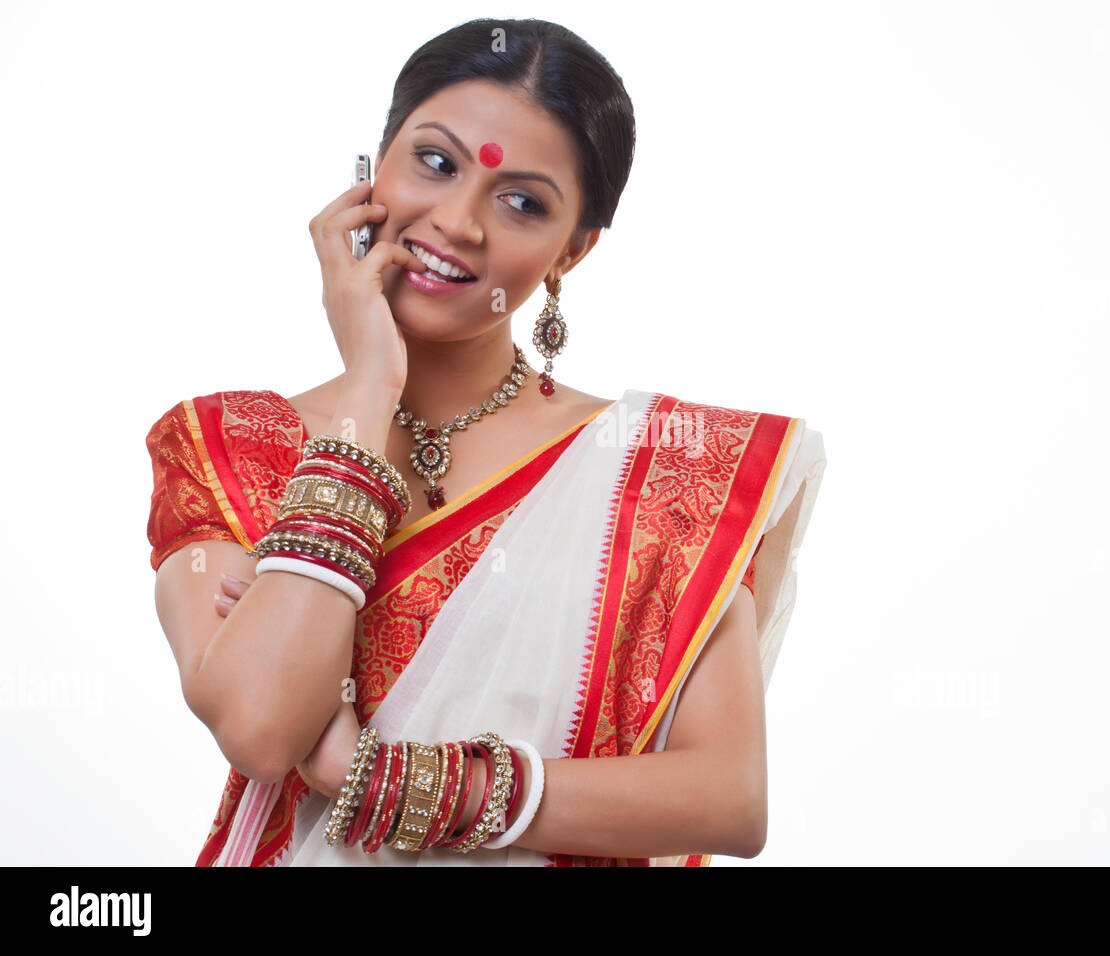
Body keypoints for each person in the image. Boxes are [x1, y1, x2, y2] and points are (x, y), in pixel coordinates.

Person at [145, 17, 826, 867]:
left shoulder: (661, 471)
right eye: (434, 161)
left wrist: (393, 782)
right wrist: (368, 390)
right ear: (372, 168)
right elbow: (259, 726)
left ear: (572, 251)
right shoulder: (228, 444)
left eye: (522, 202)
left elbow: (727, 799)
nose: (460, 222)